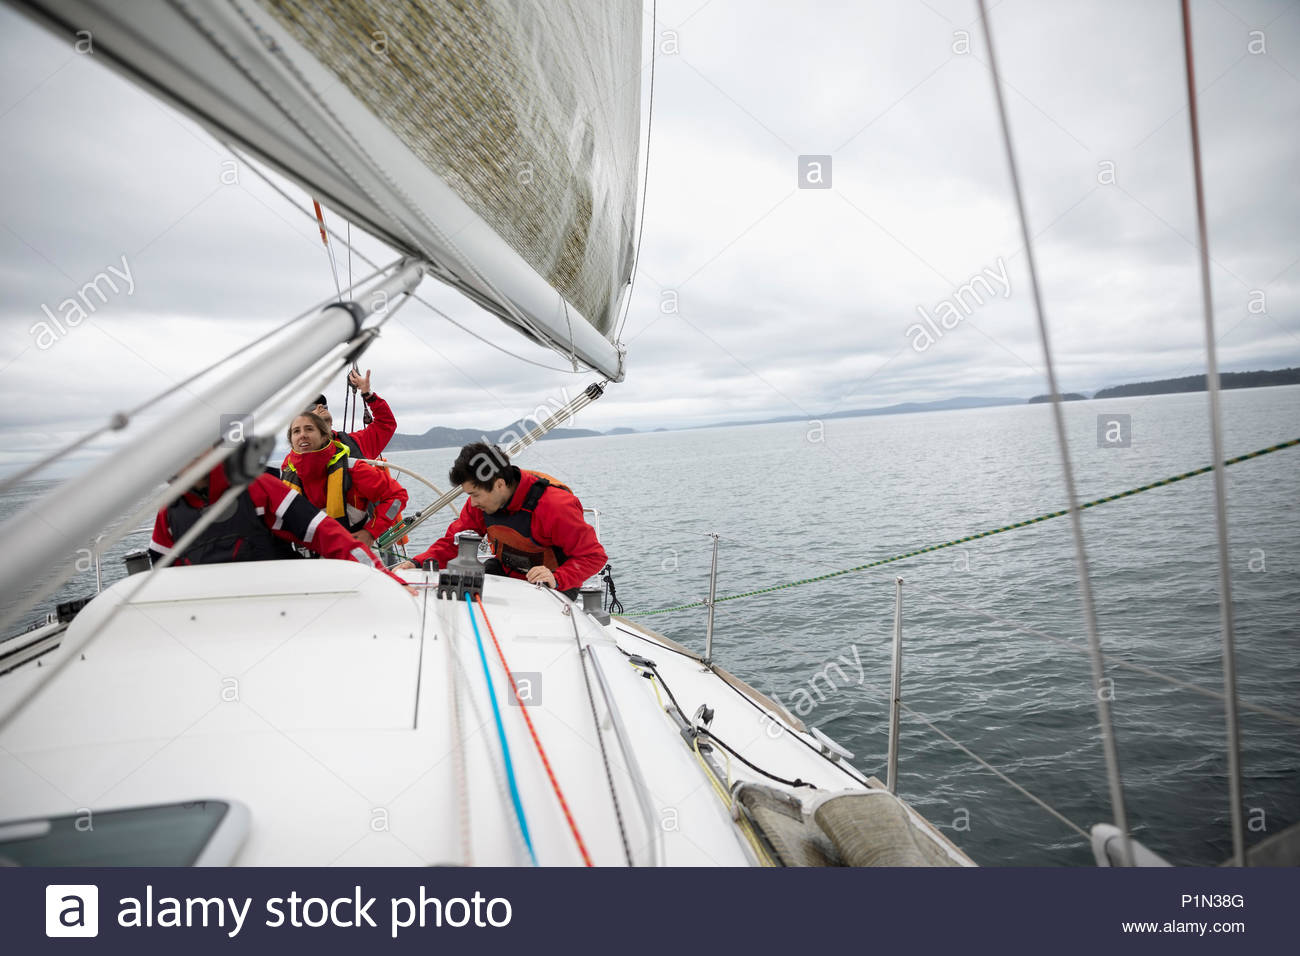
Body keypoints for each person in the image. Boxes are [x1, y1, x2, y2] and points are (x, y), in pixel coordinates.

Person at [395, 442, 606, 597]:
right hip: (505, 573)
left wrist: (558, 577)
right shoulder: (480, 503)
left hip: (551, 584)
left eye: (475, 494)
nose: (473, 503)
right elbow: (454, 542)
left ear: (499, 484)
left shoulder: (556, 506)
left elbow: (593, 557)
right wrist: (416, 563)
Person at [148, 459, 403, 583]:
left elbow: (326, 533)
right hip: (211, 618)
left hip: (282, 605)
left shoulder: (261, 488)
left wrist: (382, 575)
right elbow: (163, 581)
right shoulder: (169, 512)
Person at [281, 411, 408, 549]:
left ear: (324, 436)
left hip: (354, 556)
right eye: (296, 431)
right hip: (307, 562)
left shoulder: (353, 469)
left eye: (309, 429)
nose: (302, 435)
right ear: (291, 440)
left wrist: (371, 532)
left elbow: (397, 496)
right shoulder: (286, 477)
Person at [309, 367, 397, 460]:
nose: (320, 406)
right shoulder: (295, 465)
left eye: (324, 405)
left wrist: (368, 394)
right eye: (312, 407)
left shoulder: (355, 442)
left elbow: (385, 424)